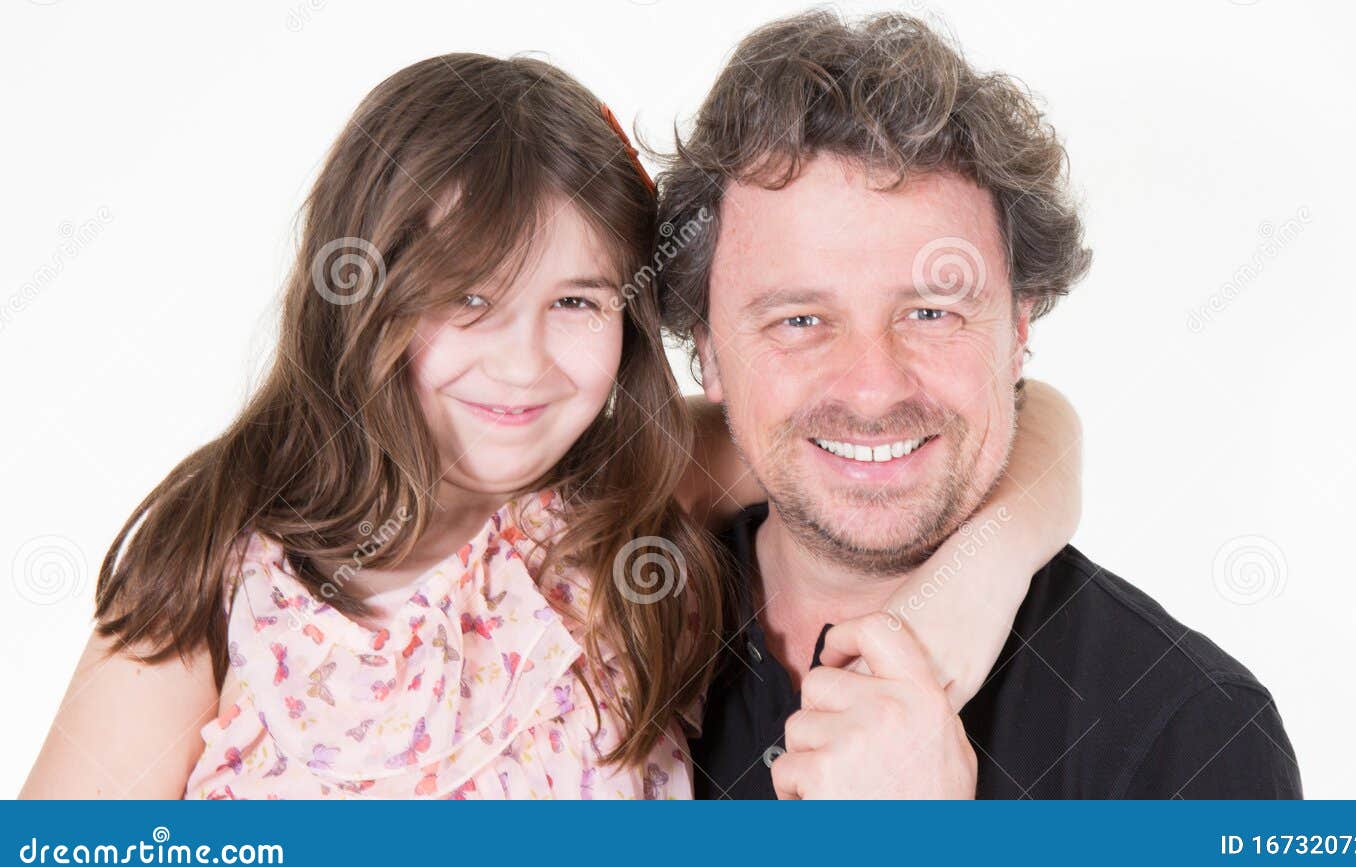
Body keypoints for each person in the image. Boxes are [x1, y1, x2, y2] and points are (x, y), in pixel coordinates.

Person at [20, 52, 1082, 799]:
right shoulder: (228, 560)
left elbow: (1023, 420)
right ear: (361, 295)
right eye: (467, 300)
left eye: (575, 301)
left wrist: (968, 595)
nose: (523, 365)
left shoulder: (619, 491)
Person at [657, 11, 1303, 799]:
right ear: (708, 351)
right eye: (800, 321)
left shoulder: (1189, 735)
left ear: (1020, 326)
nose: (873, 388)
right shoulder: (591, 636)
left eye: (932, 312)